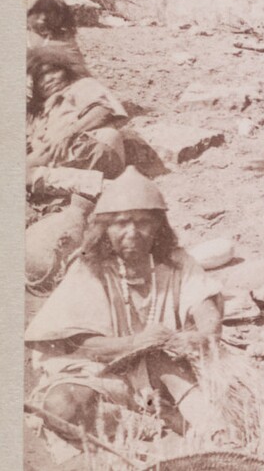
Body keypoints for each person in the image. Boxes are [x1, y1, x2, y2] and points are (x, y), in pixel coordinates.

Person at [24, 167, 225, 438]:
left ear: (158, 227)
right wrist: (133, 344)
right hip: (104, 372)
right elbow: (68, 340)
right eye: (121, 223)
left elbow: (204, 303)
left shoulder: (175, 261)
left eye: (143, 222)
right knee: (60, 408)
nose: (132, 232)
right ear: (105, 229)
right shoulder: (90, 269)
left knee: (218, 401)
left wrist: (205, 334)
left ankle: (195, 427)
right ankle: (150, 422)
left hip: (166, 370)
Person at [27, 44, 127, 181]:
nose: (48, 79)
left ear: (66, 70)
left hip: (93, 147)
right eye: (40, 77)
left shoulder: (80, 86)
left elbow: (102, 111)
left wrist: (68, 134)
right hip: (62, 158)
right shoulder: (39, 111)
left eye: (53, 71)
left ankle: (95, 186)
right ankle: (93, 187)